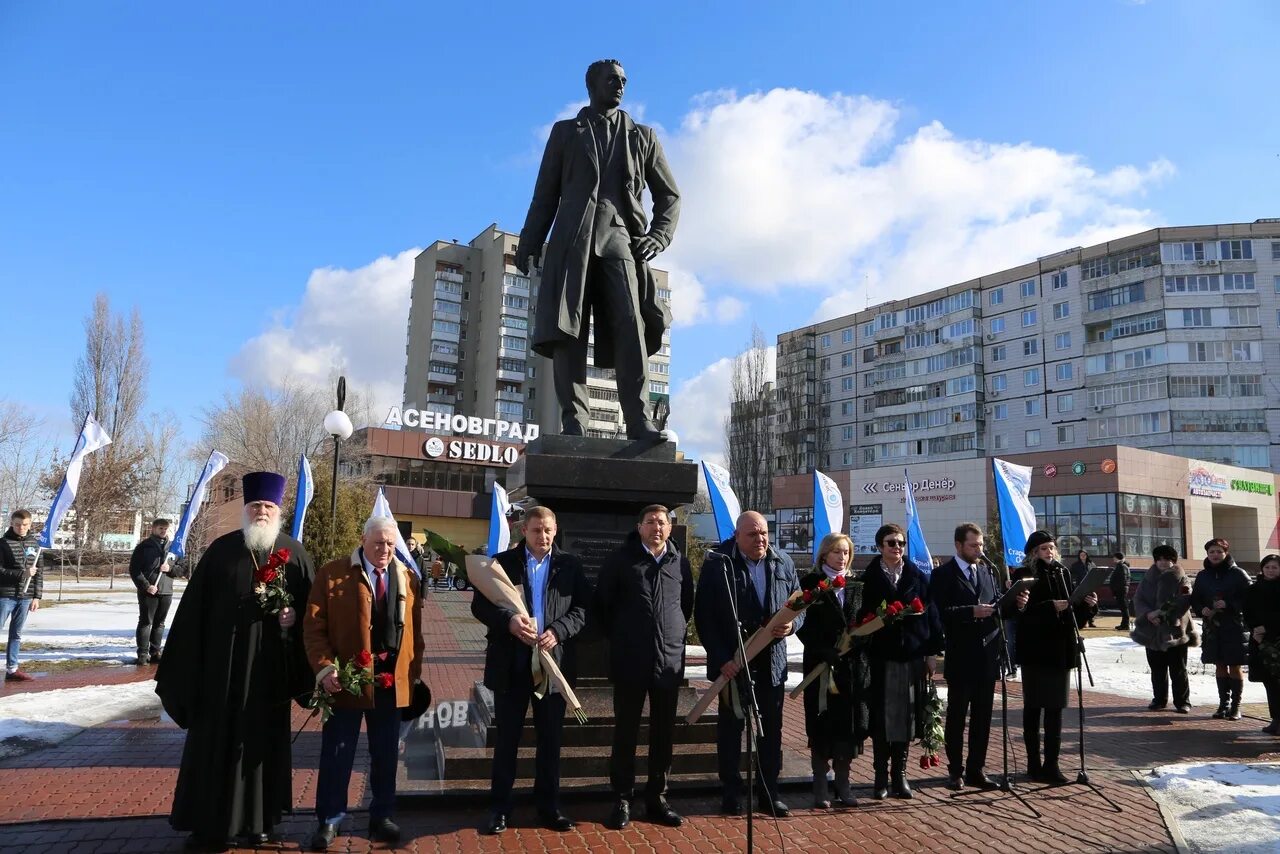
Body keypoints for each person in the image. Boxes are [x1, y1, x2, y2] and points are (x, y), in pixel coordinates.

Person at [515, 59, 680, 440]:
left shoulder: (642, 136)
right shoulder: (564, 133)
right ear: (591, 85)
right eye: (612, 79)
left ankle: (639, 422)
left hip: (620, 241)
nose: (620, 86)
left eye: (624, 80)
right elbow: (545, 194)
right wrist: (530, 240)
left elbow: (670, 197)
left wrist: (658, 235)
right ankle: (574, 423)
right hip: (571, 242)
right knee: (567, 333)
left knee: (631, 329)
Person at [155, 471, 315, 852]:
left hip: (269, 673)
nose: (262, 511)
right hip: (220, 674)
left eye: (269, 506)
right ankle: (209, 823)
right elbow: (193, 612)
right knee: (215, 744)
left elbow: (314, 614)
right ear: (246, 509)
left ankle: (260, 823)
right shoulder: (221, 551)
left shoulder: (295, 554)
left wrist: (295, 619)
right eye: (256, 505)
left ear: (279, 511)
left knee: (261, 745)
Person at [304, 516, 426, 851]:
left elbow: (415, 631)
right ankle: (329, 819)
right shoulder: (333, 573)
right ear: (363, 540)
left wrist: (412, 674)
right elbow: (314, 628)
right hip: (346, 681)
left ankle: (382, 815)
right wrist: (325, 669)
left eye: (390, 543)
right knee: (338, 753)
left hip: (390, 682)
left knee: (386, 753)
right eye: (378, 542)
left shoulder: (408, 576)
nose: (385, 549)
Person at [471, 506, 590, 835]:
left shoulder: (570, 565)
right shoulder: (501, 564)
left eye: (549, 530)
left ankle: (549, 807)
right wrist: (507, 622)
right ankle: (499, 808)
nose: (544, 536)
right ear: (525, 530)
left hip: (553, 666)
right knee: (507, 740)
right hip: (511, 665)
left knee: (550, 741)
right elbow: (480, 605)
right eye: (537, 530)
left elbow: (583, 608)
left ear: (556, 530)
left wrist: (560, 630)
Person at [696, 511, 803, 817]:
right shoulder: (719, 564)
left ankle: (770, 793)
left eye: (764, 533)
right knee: (731, 732)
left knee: (771, 732)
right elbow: (704, 617)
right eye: (752, 535)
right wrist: (721, 660)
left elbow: (801, 604)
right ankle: (731, 793)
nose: (760, 540)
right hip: (734, 663)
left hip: (771, 663)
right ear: (737, 535)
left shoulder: (783, 561)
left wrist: (793, 626)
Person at [597, 505, 693, 829]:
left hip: (668, 661)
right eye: (650, 522)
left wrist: (674, 636)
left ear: (670, 527)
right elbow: (603, 606)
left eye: (662, 522)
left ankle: (657, 797)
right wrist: (626, 638)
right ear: (639, 527)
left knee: (663, 733)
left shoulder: (679, 561)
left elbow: (686, 604)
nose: (656, 527)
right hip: (630, 661)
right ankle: (623, 797)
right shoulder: (620, 560)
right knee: (626, 732)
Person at [931, 523, 1029, 791]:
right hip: (961, 656)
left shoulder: (987, 571)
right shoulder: (943, 575)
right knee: (957, 716)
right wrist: (970, 611)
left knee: (983, 717)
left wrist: (1015, 606)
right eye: (973, 545)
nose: (979, 550)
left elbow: (997, 609)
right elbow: (939, 612)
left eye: (981, 545)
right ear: (959, 545)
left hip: (988, 656)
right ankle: (955, 771)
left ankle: (977, 769)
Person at [856, 523, 943, 800]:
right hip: (881, 658)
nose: (897, 548)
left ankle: (900, 776)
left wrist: (932, 653)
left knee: (906, 719)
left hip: (911, 657)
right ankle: (880, 777)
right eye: (892, 543)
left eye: (901, 543)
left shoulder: (917, 576)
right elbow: (860, 618)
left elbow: (932, 616)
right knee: (882, 719)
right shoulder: (867, 579)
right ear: (880, 546)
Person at [1014, 531, 1098, 785]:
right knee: (1033, 708)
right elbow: (1021, 615)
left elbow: (1074, 617)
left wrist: (1087, 605)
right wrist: (1049, 606)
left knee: (1055, 709)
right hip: (1035, 650)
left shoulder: (1063, 572)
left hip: (1061, 650)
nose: (1049, 552)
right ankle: (1033, 764)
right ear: (1032, 553)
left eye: (1051, 547)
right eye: (1043, 548)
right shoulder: (1023, 575)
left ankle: (1052, 764)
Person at [795, 532, 867, 808]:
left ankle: (844, 784)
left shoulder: (856, 585)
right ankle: (820, 786)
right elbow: (800, 621)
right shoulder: (810, 584)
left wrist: (861, 638)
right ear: (825, 554)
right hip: (821, 665)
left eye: (846, 552)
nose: (842, 557)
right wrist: (822, 649)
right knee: (821, 723)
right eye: (837, 552)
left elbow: (864, 618)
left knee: (846, 726)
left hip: (849, 668)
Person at [1191, 537, 1252, 720]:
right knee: (1219, 665)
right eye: (1212, 552)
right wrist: (1201, 608)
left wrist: (1230, 604)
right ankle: (1223, 705)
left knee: (1234, 665)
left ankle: (1236, 706)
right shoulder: (1203, 575)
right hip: (1213, 627)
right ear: (1207, 554)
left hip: (1234, 627)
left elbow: (1250, 598)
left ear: (1226, 553)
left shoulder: (1238, 573)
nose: (1215, 555)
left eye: (1219, 551)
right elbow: (1195, 598)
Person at [1131, 544, 1196, 714]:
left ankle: (1182, 701)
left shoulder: (1181, 577)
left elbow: (1185, 600)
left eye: (1167, 559)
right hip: (1152, 631)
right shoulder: (1148, 578)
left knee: (1178, 668)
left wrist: (1163, 614)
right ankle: (1159, 699)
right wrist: (1148, 614)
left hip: (1174, 630)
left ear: (1173, 561)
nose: (1162, 562)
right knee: (1157, 668)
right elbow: (1138, 599)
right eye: (1159, 559)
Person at [0, 509, 41, 682]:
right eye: (17, 524)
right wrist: (21, 574)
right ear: (12, 523)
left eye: (24, 525)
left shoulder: (36, 545)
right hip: (5, 596)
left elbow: (39, 573)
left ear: (30, 524)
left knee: (16, 634)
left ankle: (12, 669)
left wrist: (37, 596)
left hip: (25, 597)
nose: (21, 528)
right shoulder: (2, 543)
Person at [128, 518, 177, 665]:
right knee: (146, 622)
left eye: (166, 529)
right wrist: (146, 585)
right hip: (149, 591)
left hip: (166, 591)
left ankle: (155, 651)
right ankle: (143, 653)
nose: (163, 531)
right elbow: (134, 570)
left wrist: (171, 569)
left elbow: (182, 568)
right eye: (160, 528)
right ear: (153, 529)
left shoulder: (174, 548)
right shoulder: (144, 547)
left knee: (160, 624)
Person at [1244, 555, 1280, 735]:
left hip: (1277, 638)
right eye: (1267, 567)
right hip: (1259, 639)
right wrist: (1255, 630)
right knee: (1269, 681)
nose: (1271, 570)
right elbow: (1247, 612)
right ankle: (1276, 719)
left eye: (1275, 567)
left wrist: (1267, 628)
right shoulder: (1253, 589)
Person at [1070, 550, 1098, 627]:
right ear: (1079, 556)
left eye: (1084, 555)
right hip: (1080, 587)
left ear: (1087, 555)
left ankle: (1091, 621)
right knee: (1082, 604)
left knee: (1091, 604)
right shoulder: (1075, 565)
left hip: (1090, 587)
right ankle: (1084, 621)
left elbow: (1095, 574)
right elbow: (1071, 575)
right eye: (1081, 555)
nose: (1082, 556)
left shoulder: (1091, 564)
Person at [1110, 552, 1132, 631]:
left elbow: (1121, 580)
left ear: (1117, 558)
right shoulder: (1122, 566)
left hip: (1120, 590)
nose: (1113, 559)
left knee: (1124, 608)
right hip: (1121, 590)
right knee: (1123, 608)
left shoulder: (1121, 566)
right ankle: (1124, 624)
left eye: (1114, 557)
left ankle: (1125, 625)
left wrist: (1116, 590)